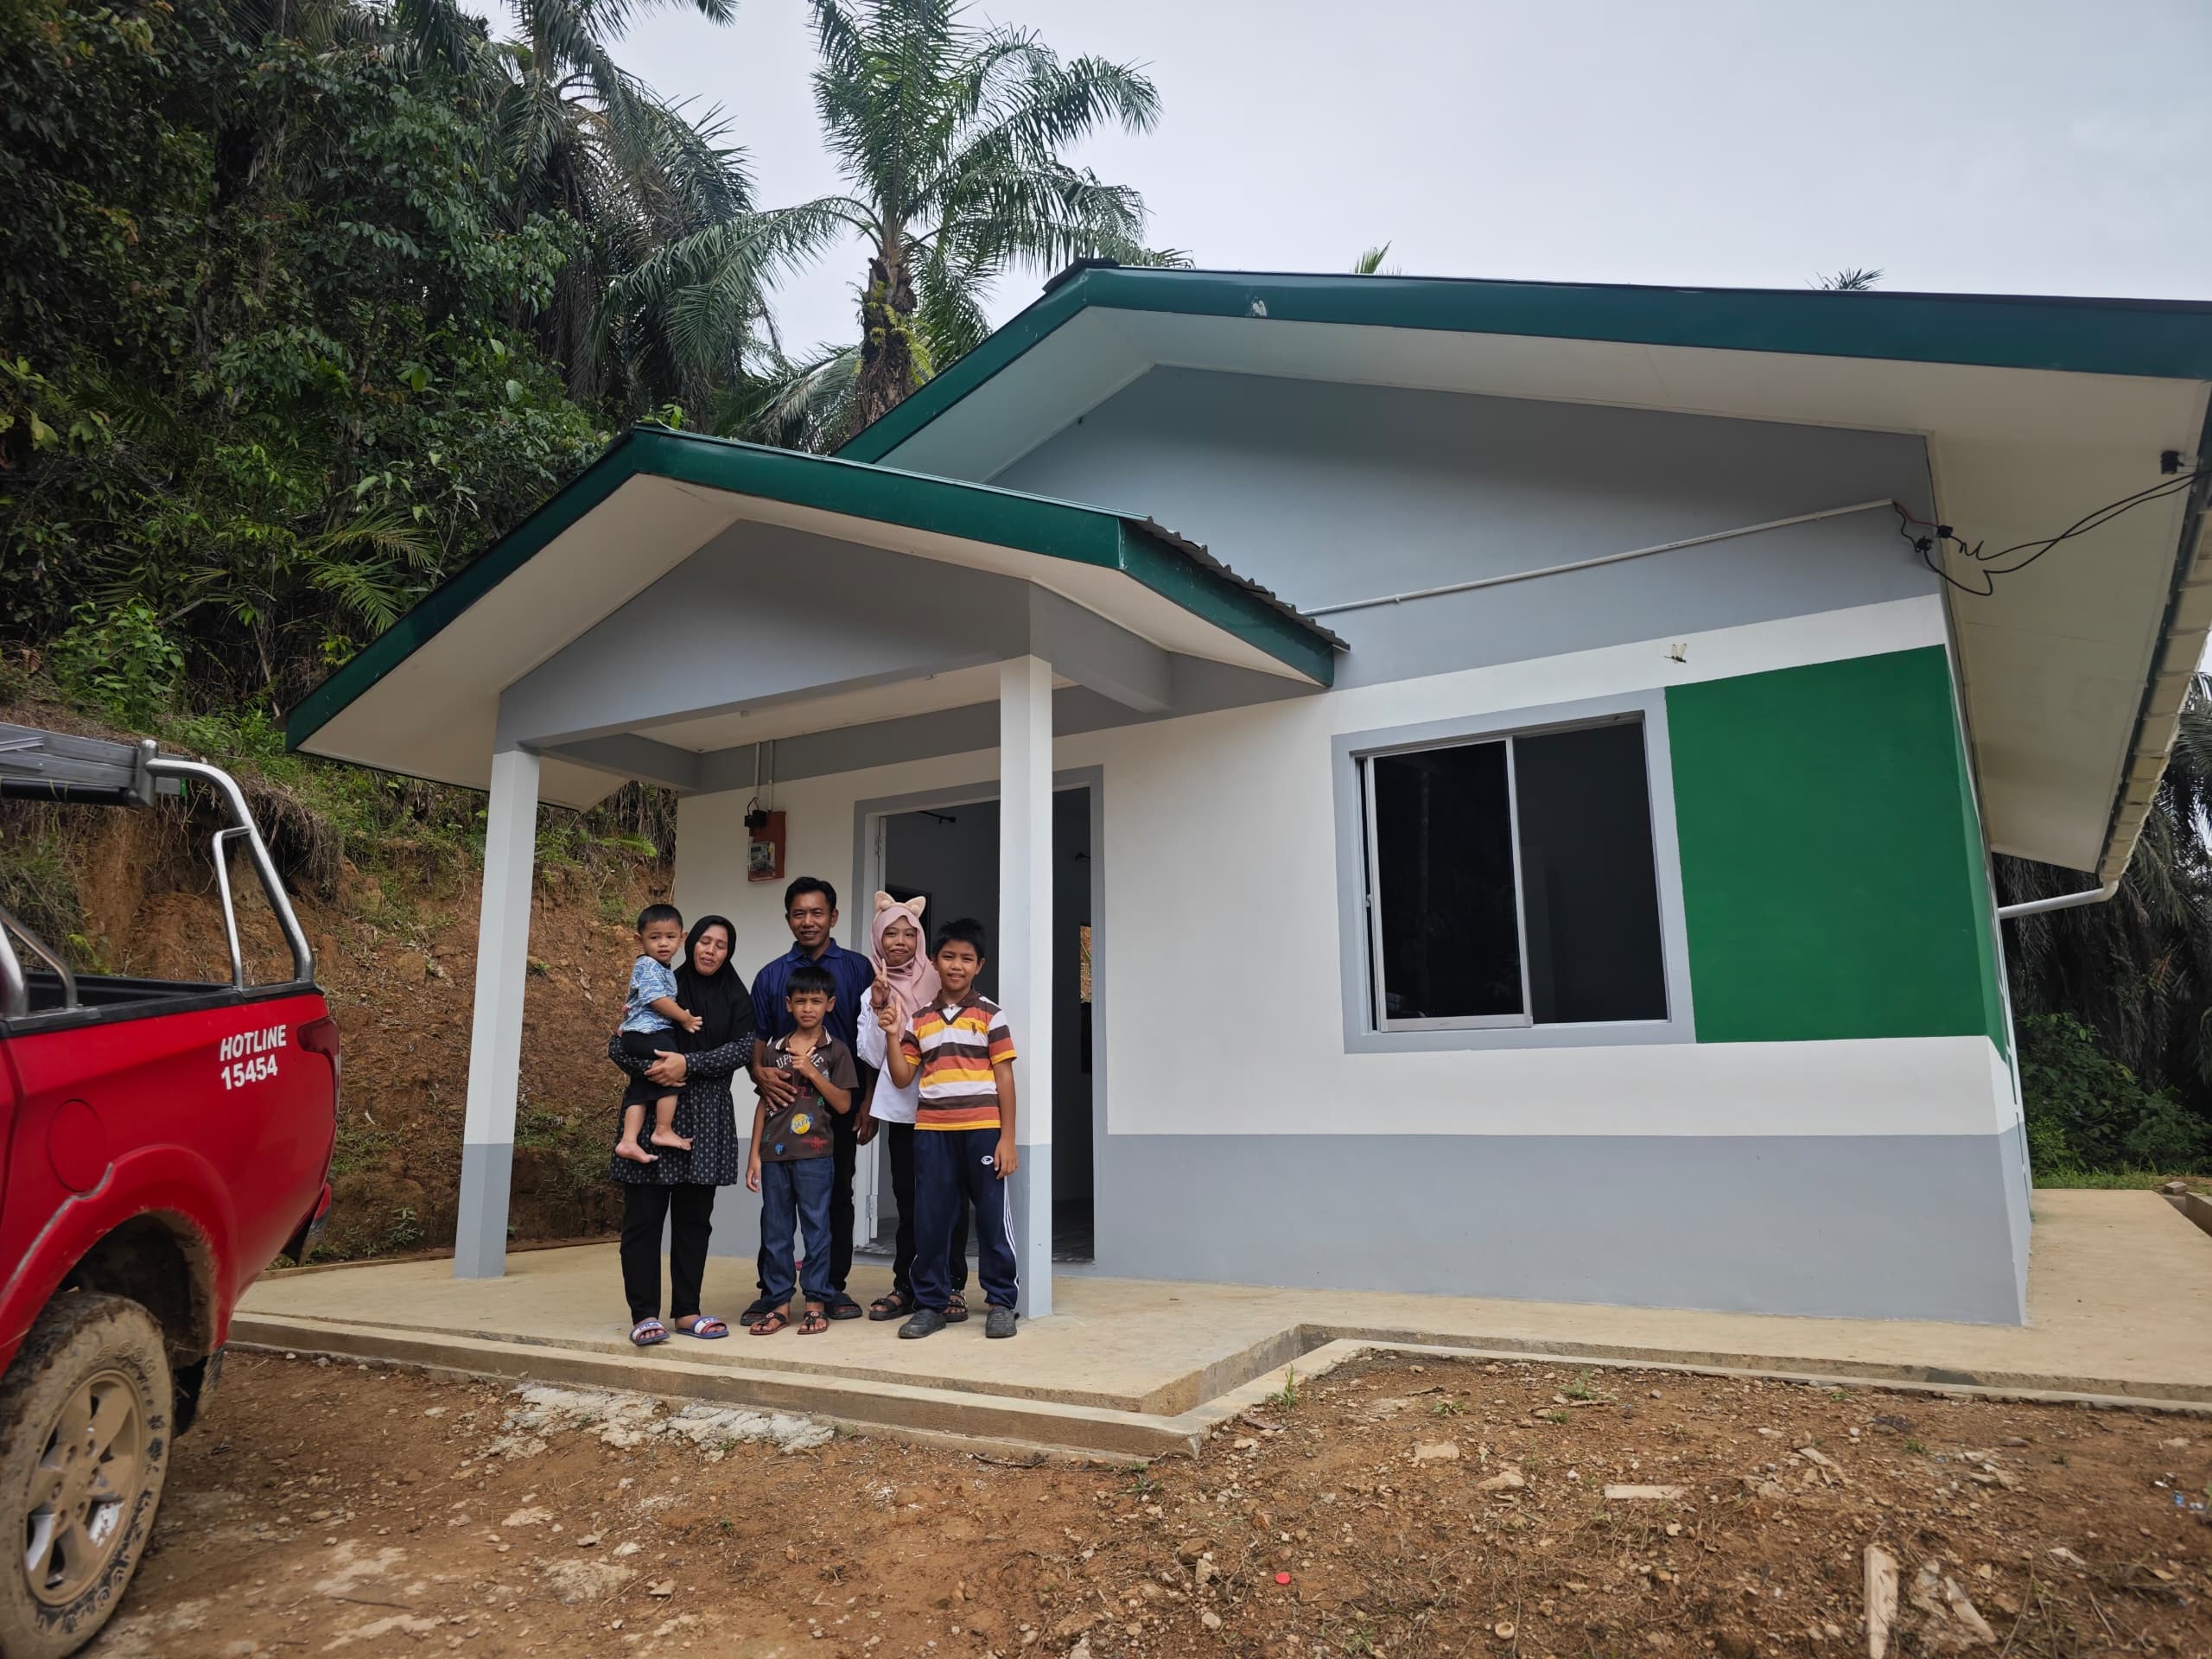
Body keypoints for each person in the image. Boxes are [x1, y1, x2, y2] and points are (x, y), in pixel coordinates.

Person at [606, 914, 755, 1347]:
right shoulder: (663, 983)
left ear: (729, 952)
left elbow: (743, 1049)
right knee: (643, 1220)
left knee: (694, 1222)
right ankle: (644, 1315)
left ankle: (687, 1311)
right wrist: (658, 1068)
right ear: (691, 944)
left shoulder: (736, 997)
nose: (711, 951)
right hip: (654, 1111)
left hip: (707, 1119)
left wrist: (687, 1063)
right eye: (705, 942)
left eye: (721, 945)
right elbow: (619, 1043)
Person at [744, 877, 877, 1323]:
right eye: (799, 914)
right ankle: (773, 1293)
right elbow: (757, 1042)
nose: (808, 921)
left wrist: (868, 1103)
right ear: (788, 919)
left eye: (817, 912)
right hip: (784, 1109)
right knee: (776, 1210)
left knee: (836, 1198)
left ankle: (831, 1289)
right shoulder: (771, 976)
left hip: (838, 1105)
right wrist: (760, 1077)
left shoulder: (858, 969)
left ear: (833, 916)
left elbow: (871, 1042)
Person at [887, 917, 1020, 1340]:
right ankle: (932, 1303)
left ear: (979, 965)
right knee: (931, 1219)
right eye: (948, 957)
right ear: (934, 961)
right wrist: (892, 1032)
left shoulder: (990, 1016)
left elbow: (1004, 1079)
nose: (956, 965)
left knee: (991, 1220)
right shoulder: (919, 1019)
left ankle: (1001, 1302)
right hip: (932, 1134)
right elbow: (903, 1077)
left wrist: (1008, 1139)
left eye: (966, 958)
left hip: (982, 1131)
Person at [855, 892, 971, 1324]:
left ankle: (952, 1285)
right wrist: (880, 1005)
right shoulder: (873, 989)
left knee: (951, 1200)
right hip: (902, 1109)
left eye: (909, 933)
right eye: (891, 934)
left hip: (947, 1106)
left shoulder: (941, 983)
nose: (900, 941)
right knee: (910, 1200)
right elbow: (870, 1054)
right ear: (878, 939)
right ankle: (906, 1284)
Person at [744, 963, 858, 1336]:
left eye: (816, 1001)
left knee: (817, 1229)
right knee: (775, 1231)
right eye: (801, 1001)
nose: (808, 1008)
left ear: (830, 1004)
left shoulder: (835, 1051)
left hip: (817, 1155)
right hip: (775, 1156)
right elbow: (764, 1103)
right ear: (788, 1004)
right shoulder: (773, 1050)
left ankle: (815, 1302)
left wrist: (812, 1072)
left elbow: (843, 1105)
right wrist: (753, 1156)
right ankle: (778, 1304)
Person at [614, 904, 702, 1164]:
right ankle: (662, 1129)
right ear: (638, 939)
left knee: (642, 1083)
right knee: (673, 1069)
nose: (663, 943)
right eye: (654, 937)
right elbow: (656, 1000)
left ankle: (628, 1141)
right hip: (649, 1031)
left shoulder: (656, 966)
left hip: (635, 1033)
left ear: (682, 938)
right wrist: (684, 1017)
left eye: (670, 937)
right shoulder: (651, 965)